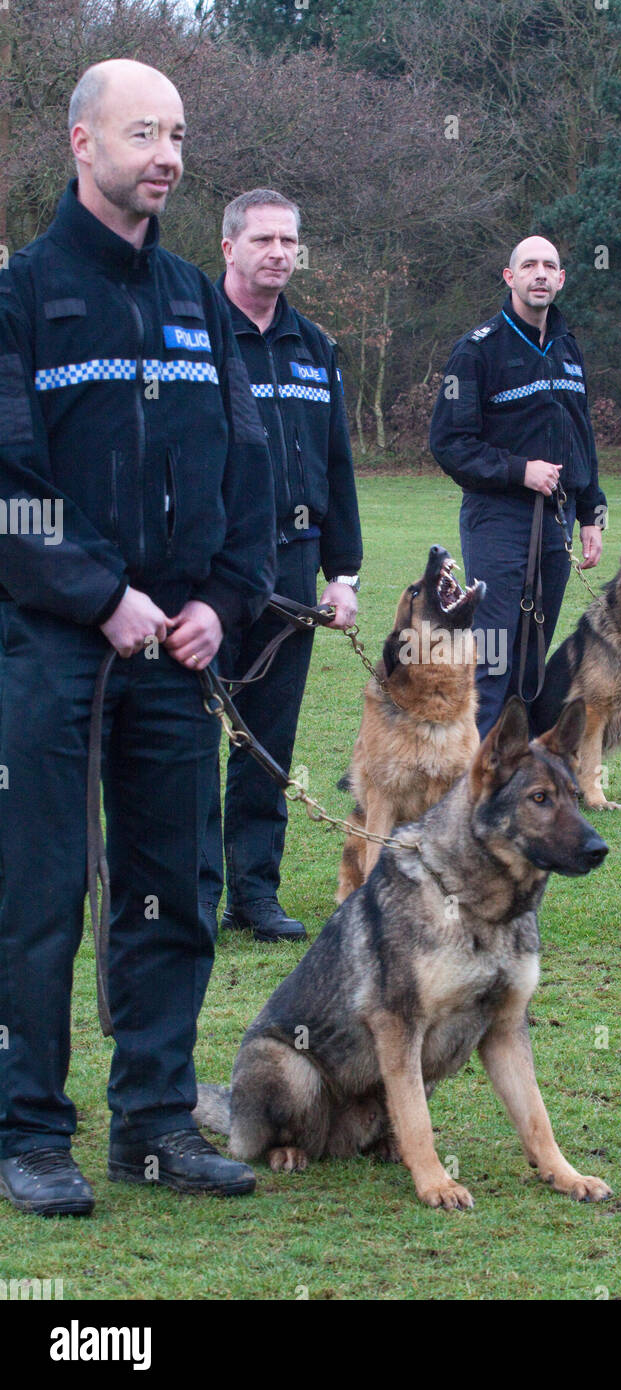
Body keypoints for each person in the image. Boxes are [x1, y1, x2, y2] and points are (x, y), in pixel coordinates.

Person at [0, 60, 275, 1216]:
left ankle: (156, 1125)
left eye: (176, 135)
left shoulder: (191, 298)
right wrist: (99, 591)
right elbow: (7, 490)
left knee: (171, 888)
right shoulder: (23, 294)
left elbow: (248, 460)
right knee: (40, 891)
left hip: (178, 646)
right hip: (53, 643)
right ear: (80, 142)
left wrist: (225, 594)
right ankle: (29, 1133)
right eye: (142, 134)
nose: (166, 154)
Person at [199, 190, 363, 943]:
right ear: (229, 247)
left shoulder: (314, 346)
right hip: (209, 565)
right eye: (262, 238)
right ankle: (195, 894)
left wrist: (345, 573)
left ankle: (254, 895)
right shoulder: (194, 336)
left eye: (288, 240)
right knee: (196, 734)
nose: (277, 251)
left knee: (269, 743)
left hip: (295, 566)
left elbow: (337, 461)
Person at [429, 235, 606, 737]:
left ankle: (510, 770)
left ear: (562, 278)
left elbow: (582, 437)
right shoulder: (476, 351)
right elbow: (448, 442)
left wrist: (592, 513)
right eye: (529, 265)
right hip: (498, 520)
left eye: (550, 265)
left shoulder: (569, 348)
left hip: (557, 521)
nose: (541, 274)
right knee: (494, 654)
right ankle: (468, 780)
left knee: (532, 652)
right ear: (510, 277)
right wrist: (518, 469)